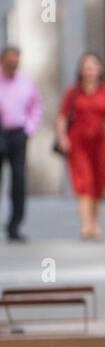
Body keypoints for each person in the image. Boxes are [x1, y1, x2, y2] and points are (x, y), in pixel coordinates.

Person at [57, 53, 105, 241]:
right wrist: (62, 137)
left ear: (100, 69)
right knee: (84, 182)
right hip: (78, 142)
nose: (89, 71)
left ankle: (95, 223)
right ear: (81, 71)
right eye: (86, 68)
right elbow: (62, 116)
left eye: (93, 67)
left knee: (99, 182)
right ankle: (86, 224)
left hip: (100, 142)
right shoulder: (73, 92)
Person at [0, 45, 43, 243]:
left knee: (18, 180)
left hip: (18, 134)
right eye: (10, 59)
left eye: (16, 60)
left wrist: (29, 129)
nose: (13, 63)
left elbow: (36, 106)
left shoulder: (26, 82)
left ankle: (14, 227)